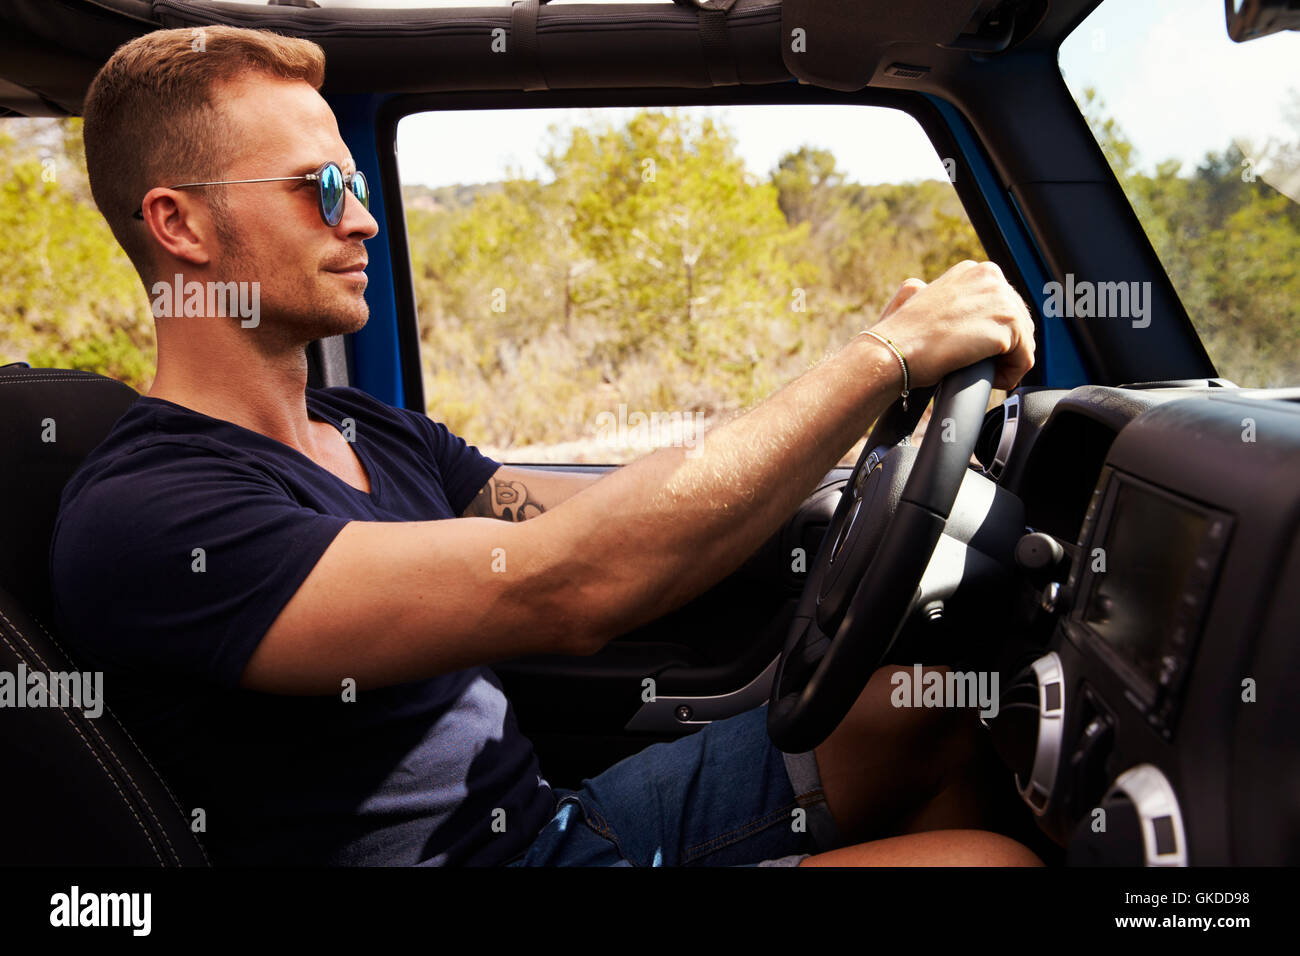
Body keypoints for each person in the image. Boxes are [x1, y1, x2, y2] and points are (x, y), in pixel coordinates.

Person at [52, 26, 1040, 867]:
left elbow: (613, 516)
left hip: (550, 821)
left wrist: (860, 422)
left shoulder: (370, 433)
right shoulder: (152, 514)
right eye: (318, 187)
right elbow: (566, 583)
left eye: (352, 180)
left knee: (924, 713)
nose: (359, 219)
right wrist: (875, 359)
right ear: (179, 223)